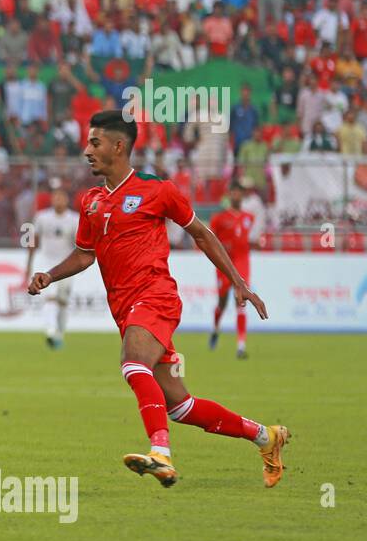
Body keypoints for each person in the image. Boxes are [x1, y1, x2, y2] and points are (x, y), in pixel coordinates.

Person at [27, 111, 288, 488]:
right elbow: (86, 254)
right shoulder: (91, 201)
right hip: (125, 308)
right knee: (180, 405)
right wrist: (50, 275)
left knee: (133, 365)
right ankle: (267, 436)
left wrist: (238, 282)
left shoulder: (157, 189)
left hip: (155, 297)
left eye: (94, 143)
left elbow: (201, 234)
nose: (86, 151)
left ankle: (161, 454)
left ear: (119, 146)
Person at [25, 186, 78, 349]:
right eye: (55, 197)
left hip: (65, 265)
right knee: (49, 297)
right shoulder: (42, 217)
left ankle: (59, 334)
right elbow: (32, 239)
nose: (58, 200)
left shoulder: (74, 219)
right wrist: (29, 262)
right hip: (46, 263)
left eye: (61, 197)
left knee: (62, 301)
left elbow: (78, 244)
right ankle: (50, 330)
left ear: (67, 200)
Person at [208, 184, 255, 359]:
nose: (236, 196)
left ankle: (241, 346)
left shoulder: (249, 217)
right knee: (222, 302)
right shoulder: (219, 218)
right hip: (224, 265)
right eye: (233, 192)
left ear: (242, 196)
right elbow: (211, 239)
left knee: (241, 301)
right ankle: (215, 329)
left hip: (242, 263)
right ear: (229, 195)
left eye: (239, 193)